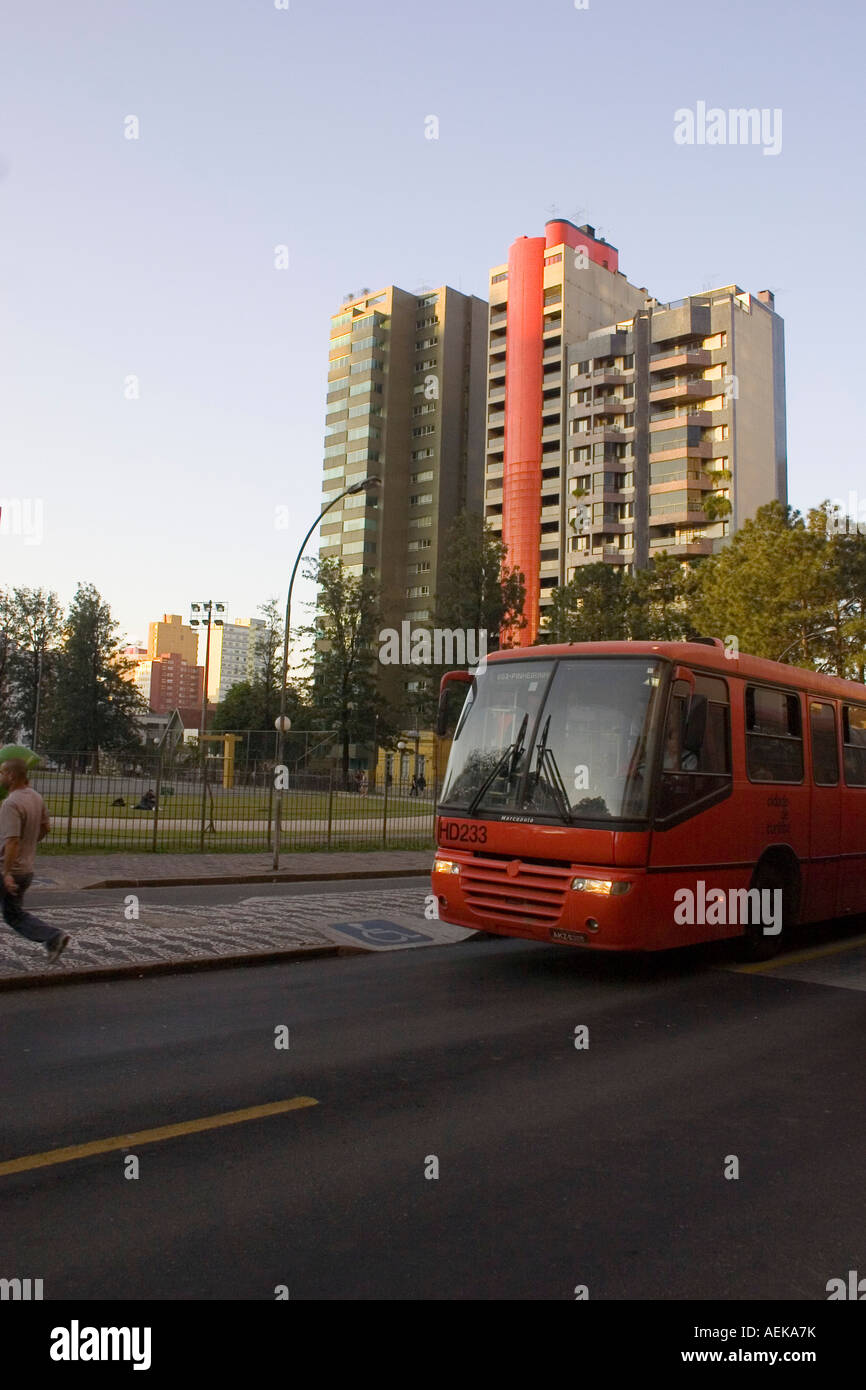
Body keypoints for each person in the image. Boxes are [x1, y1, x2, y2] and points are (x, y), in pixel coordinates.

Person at [0, 758, 70, 963]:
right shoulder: (36, 797)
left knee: (14, 915)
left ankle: (53, 937)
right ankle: (53, 936)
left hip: (8, 870)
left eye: (2, 773)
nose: (0, 777)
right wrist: (29, 845)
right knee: (15, 915)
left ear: (12, 775)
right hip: (26, 870)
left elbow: (11, 841)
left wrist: (7, 873)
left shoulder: (11, 803)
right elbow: (46, 827)